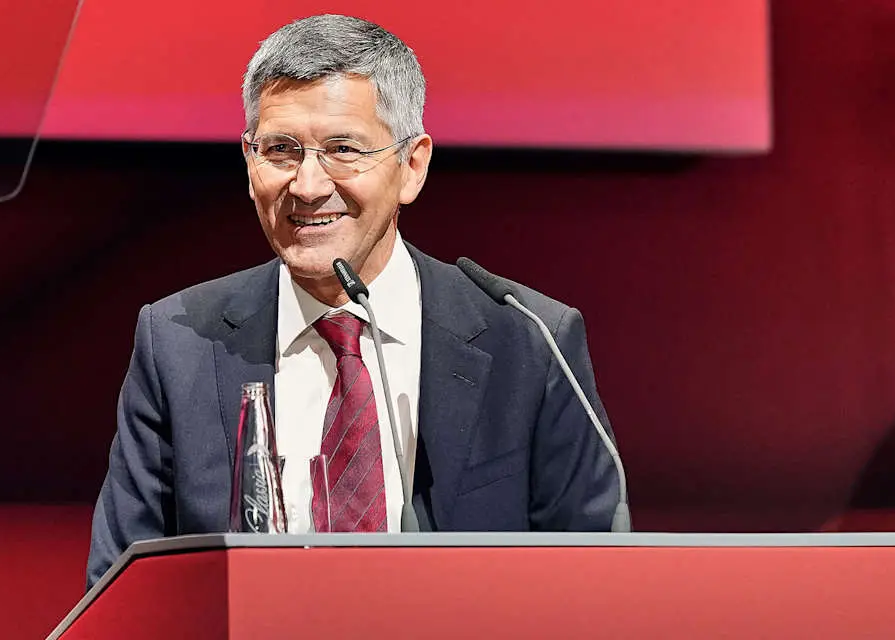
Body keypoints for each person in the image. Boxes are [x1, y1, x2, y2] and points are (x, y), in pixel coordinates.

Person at [86, 13, 622, 589]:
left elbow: (594, 588)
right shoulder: (177, 341)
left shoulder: (531, 342)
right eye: (281, 150)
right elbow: (120, 590)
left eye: (342, 149)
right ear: (249, 161)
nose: (307, 185)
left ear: (411, 166)